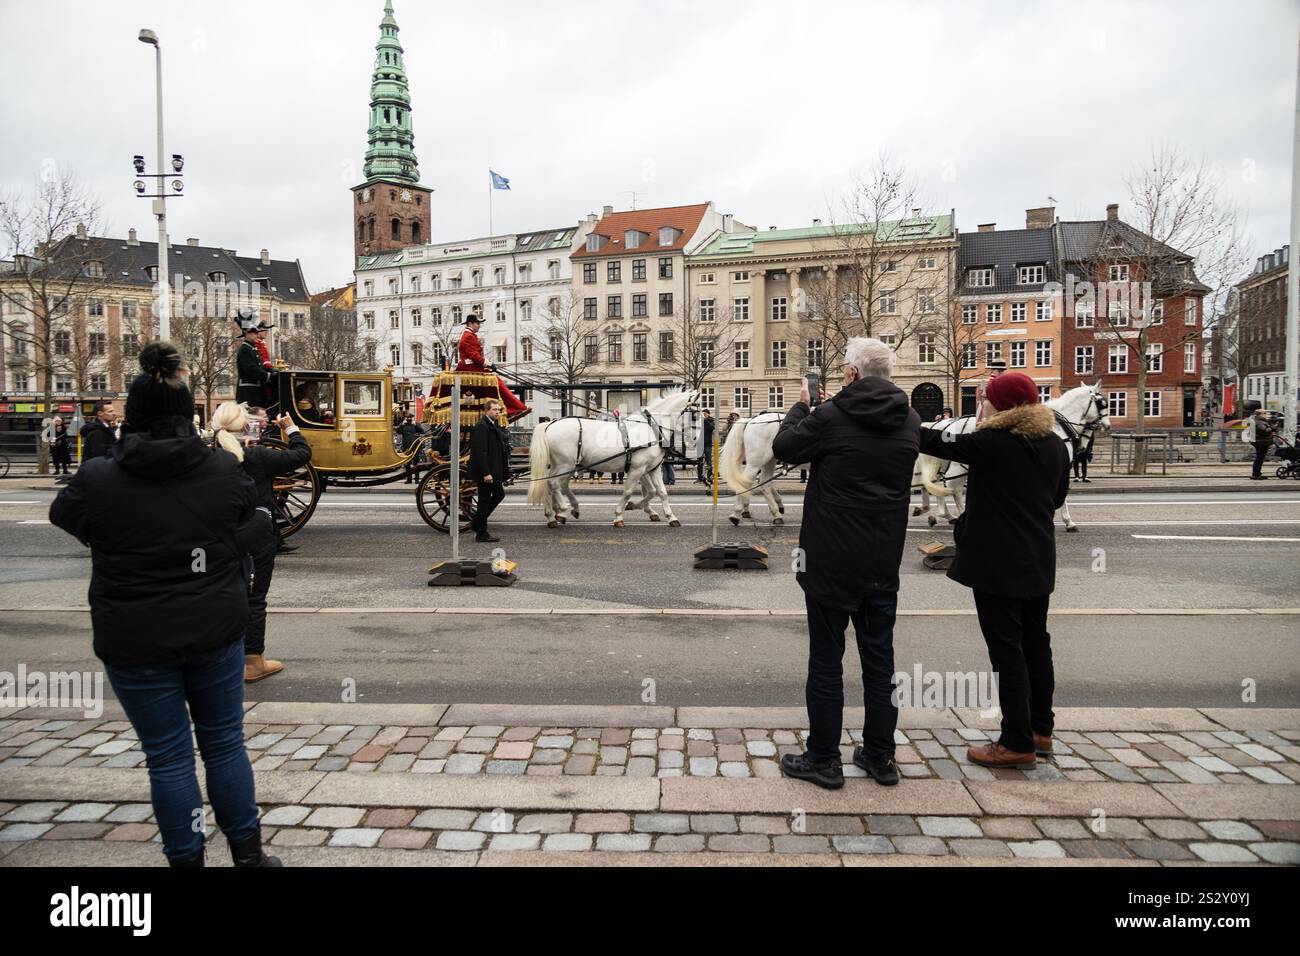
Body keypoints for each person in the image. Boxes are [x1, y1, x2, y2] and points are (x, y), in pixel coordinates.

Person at [49, 343, 279, 867]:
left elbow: (65, 516)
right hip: (213, 628)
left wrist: (115, 541)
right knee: (223, 745)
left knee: (168, 757)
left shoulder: (100, 478)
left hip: (134, 635)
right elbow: (250, 524)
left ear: (131, 415)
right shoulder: (221, 469)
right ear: (186, 414)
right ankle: (248, 854)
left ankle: (185, 859)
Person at [771, 337, 920, 790]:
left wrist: (802, 407)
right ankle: (880, 756)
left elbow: (785, 448)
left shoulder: (831, 416)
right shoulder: (909, 418)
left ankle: (823, 759)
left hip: (830, 561)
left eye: (842, 368)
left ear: (853, 374)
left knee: (826, 661)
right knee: (880, 662)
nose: (839, 374)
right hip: (881, 562)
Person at [918, 371, 1069, 768]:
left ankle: (1016, 741)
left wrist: (895, 414)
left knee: (1007, 651)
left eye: (985, 399)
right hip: (1038, 560)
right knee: (1036, 644)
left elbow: (932, 439)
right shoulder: (1054, 445)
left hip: (998, 564)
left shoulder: (994, 441)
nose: (980, 405)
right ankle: (1041, 730)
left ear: (998, 405)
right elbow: (1055, 499)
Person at [210, 402, 312, 683]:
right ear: (245, 427)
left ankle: (223, 656)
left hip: (220, 529)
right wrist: (291, 428)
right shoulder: (256, 455)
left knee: (225, 593)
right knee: (255, 597)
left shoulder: (210, 457)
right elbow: (301, 454)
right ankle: (253, 661)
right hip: (255, 528)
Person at [456, 314, 529, 419]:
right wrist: (488, 364)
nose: (479, 326)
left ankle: (511, 408)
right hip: (470, 367)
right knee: (495, 381)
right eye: (477, 323)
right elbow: (474, 356)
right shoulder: (468, 336)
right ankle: (514, 408)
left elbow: (475, 355)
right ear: (470, 323)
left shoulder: (469, 335)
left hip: (473, 366)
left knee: (495, 380)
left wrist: (487, 363)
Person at [468, 398, 511, 543]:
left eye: (498, 410)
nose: (497, 412)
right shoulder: (482, 426)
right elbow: (481, 451)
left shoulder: (493, 424)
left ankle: (477, 523)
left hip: (495, 469)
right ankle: (481, 533)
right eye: (494, 410)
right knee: (484, 501)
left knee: (499, 495)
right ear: (487, 410)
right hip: (487, 472)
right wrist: (486, 473)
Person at [234, 312, 275, 409]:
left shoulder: (252, 348)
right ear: (246, 333)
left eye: (257, 332)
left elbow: (260, 367)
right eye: (253, 332)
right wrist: (269, 376)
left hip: (256, 389)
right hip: (248, 391)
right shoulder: (244, 349)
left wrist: (271, 371)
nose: (256, 334)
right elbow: (252, 370)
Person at [1249, 408, 1280, 480]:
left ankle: (1257, 474)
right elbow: (1264, 431)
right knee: (1259, 459)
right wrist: (1270, 428)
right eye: (1264, 413)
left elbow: (1268, 428)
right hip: (1261, 443)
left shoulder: (1260, 421)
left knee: (1260, 458)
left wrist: (1273, 426)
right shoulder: (1258, 422)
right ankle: (1255, 475)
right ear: (1260, 414)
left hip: (1262, 442)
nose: (1266, 414)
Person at [697, 410, 715, 484]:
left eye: (705, 414)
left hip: (708, 445)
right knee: (699, 462)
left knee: (709, 462)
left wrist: (706, 420)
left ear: (708, 414)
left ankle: (710, 477)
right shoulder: (699, 421)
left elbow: (711, 428)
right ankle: (700, 477)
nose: (704, 415)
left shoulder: (711, 420)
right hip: (700, 444)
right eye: (703, 414)